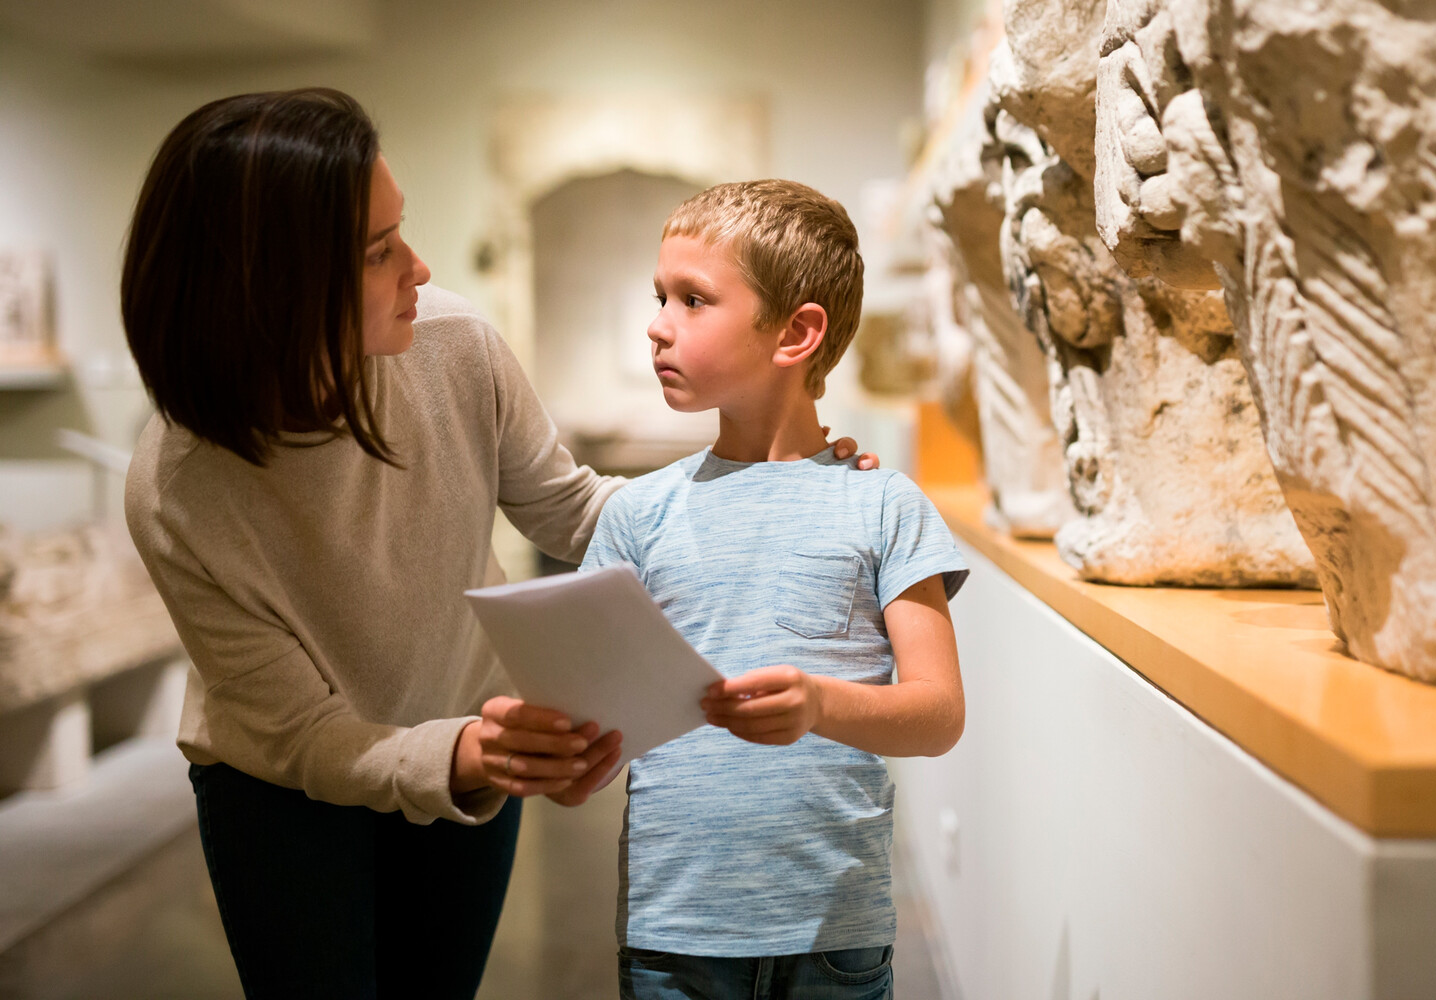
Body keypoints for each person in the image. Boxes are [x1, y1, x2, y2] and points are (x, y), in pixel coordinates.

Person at [120, 88, 875, 998]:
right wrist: (471, 754)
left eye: (403, 231)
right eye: (378, 250)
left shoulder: (454, 342)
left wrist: (780, 491)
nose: (419, 266)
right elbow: (304, 736)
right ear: (271, 286)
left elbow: (573, 511)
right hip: (284, 792)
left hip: (474, 747)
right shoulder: (178, 485)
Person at [566, 179, 968, 1000]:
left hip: (833, 937)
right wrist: (569, 755)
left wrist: (820, 705)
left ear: (797, 332)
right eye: (660, 297)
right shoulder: (636, 517)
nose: (657, 323)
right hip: (675, 934)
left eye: (693, 299)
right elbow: (590, 729)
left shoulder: (884, 504)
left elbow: (938, 714)